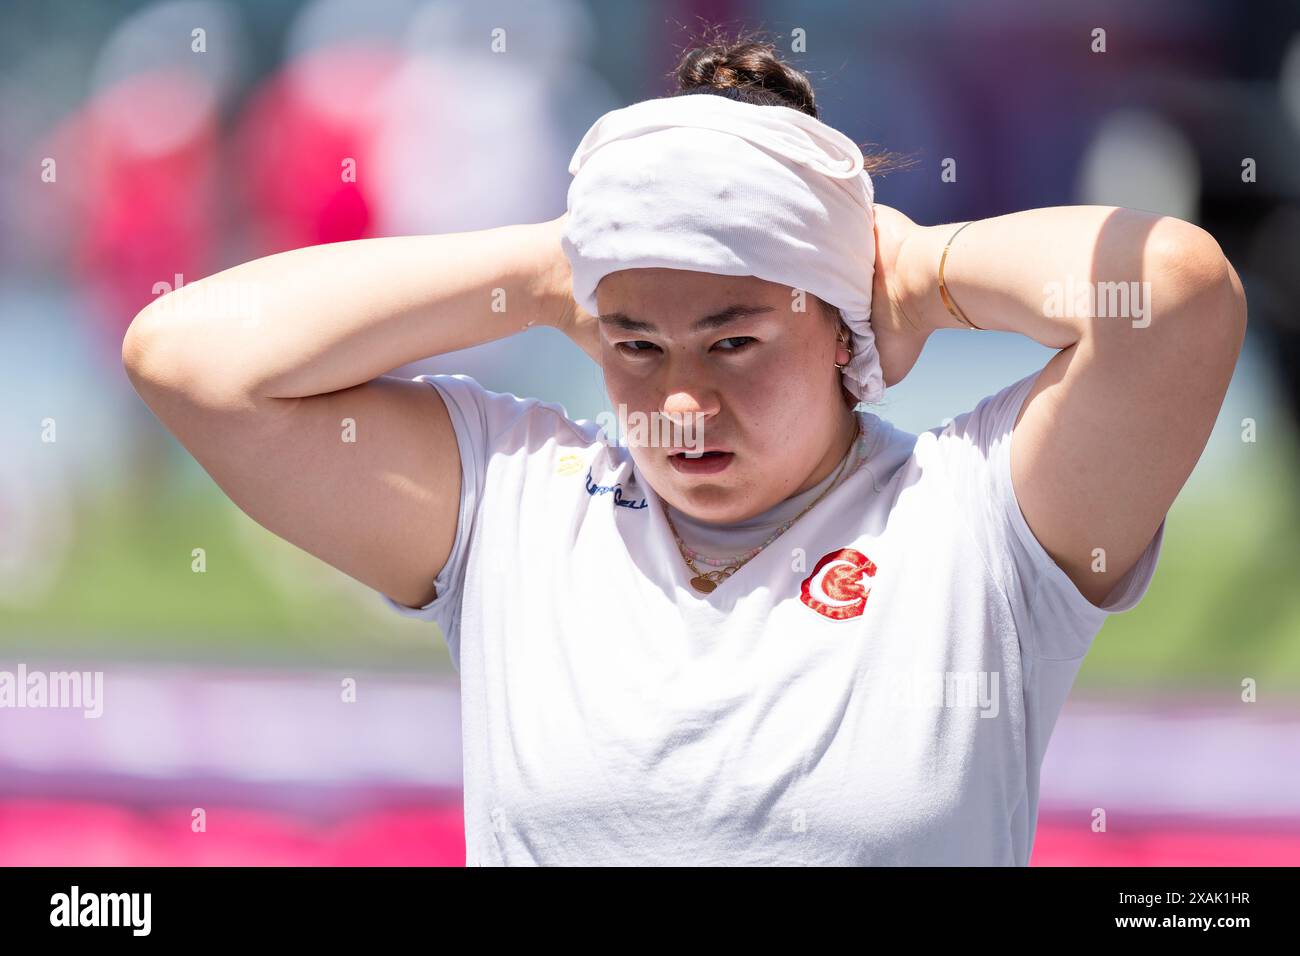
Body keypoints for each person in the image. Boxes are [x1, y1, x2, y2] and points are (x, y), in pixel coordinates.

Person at [121, 36, 1248, 865]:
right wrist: (553, 266)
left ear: (838, 321)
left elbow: (1173, 295)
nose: (682, 400)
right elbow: (188, 357)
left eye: (737, 339)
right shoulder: (515, 506)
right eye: (636, 341)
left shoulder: (976, 521)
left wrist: (914, 275)